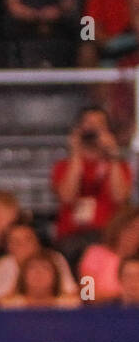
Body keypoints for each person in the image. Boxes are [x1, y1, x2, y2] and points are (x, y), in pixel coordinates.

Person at [50, 106, 133, 258]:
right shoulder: (63, 166)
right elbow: (67, 197)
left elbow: (120, 197)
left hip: (107, 235)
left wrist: (113, 154)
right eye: (88, 124)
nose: (93, 130)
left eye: (99, 125)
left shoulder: (119, 166)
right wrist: (75, 154)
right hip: (71, 236)